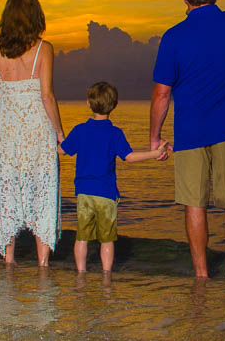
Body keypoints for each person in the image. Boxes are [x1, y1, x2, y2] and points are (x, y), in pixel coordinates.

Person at [149, 0, 225, 282]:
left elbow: (162, 94)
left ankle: (202, 277)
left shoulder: (173, 37)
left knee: (195, 205)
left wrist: (155, 136)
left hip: (190, 132)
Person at [0, 0, 65, 266]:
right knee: (41, 190)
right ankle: (42, 264)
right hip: (36, 129)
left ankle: (9, 260)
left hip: (4, 128)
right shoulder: (44, 49)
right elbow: (47, 96)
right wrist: (60, 134)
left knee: (7, 193)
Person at [59, 81, 170, 275]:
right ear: (114, 106)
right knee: (107, 239)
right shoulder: (115, 133)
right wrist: (154, 154)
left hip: (84, 193)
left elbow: (61, 150)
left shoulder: (79, 130)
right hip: (106, 193)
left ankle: (81, 273)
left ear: (89, 104)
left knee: (82, 236)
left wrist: (49, 140)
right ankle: (106, 275)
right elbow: (129, 157)